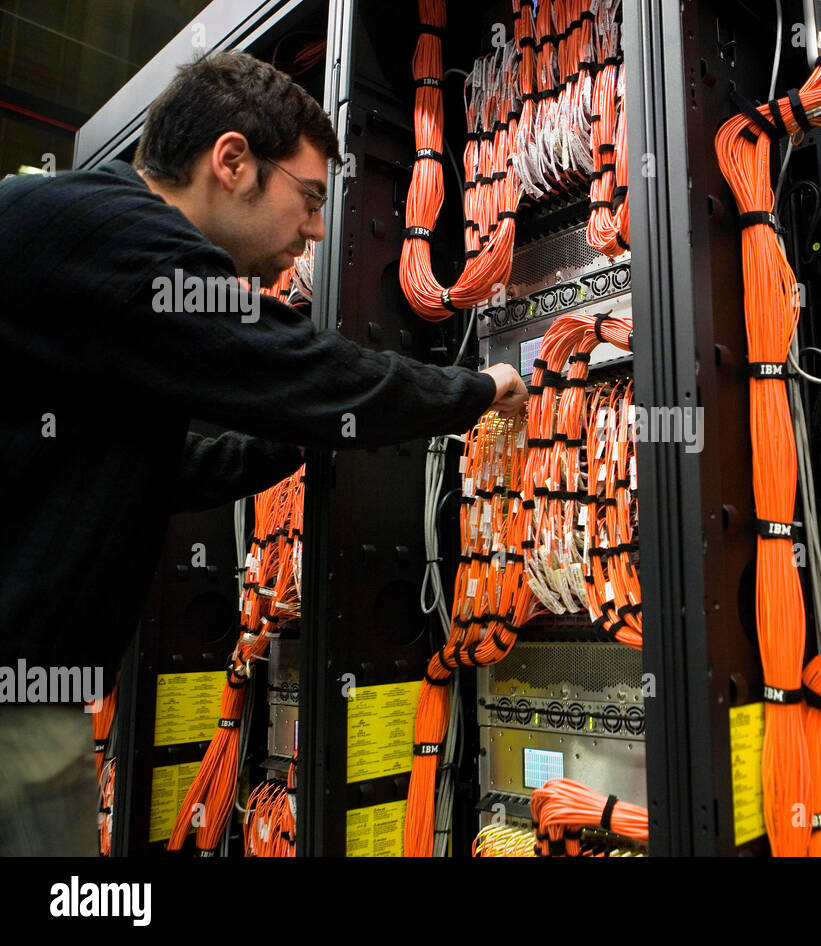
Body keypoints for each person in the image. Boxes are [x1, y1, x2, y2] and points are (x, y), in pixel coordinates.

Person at [0, 50, 526, 855]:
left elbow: (168, 469)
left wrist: (303, 429)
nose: (316, 229)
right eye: (310, 199)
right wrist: (482, 387)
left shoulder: (89, 247)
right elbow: (305, 368)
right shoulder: (117, 237)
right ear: (232, 161)